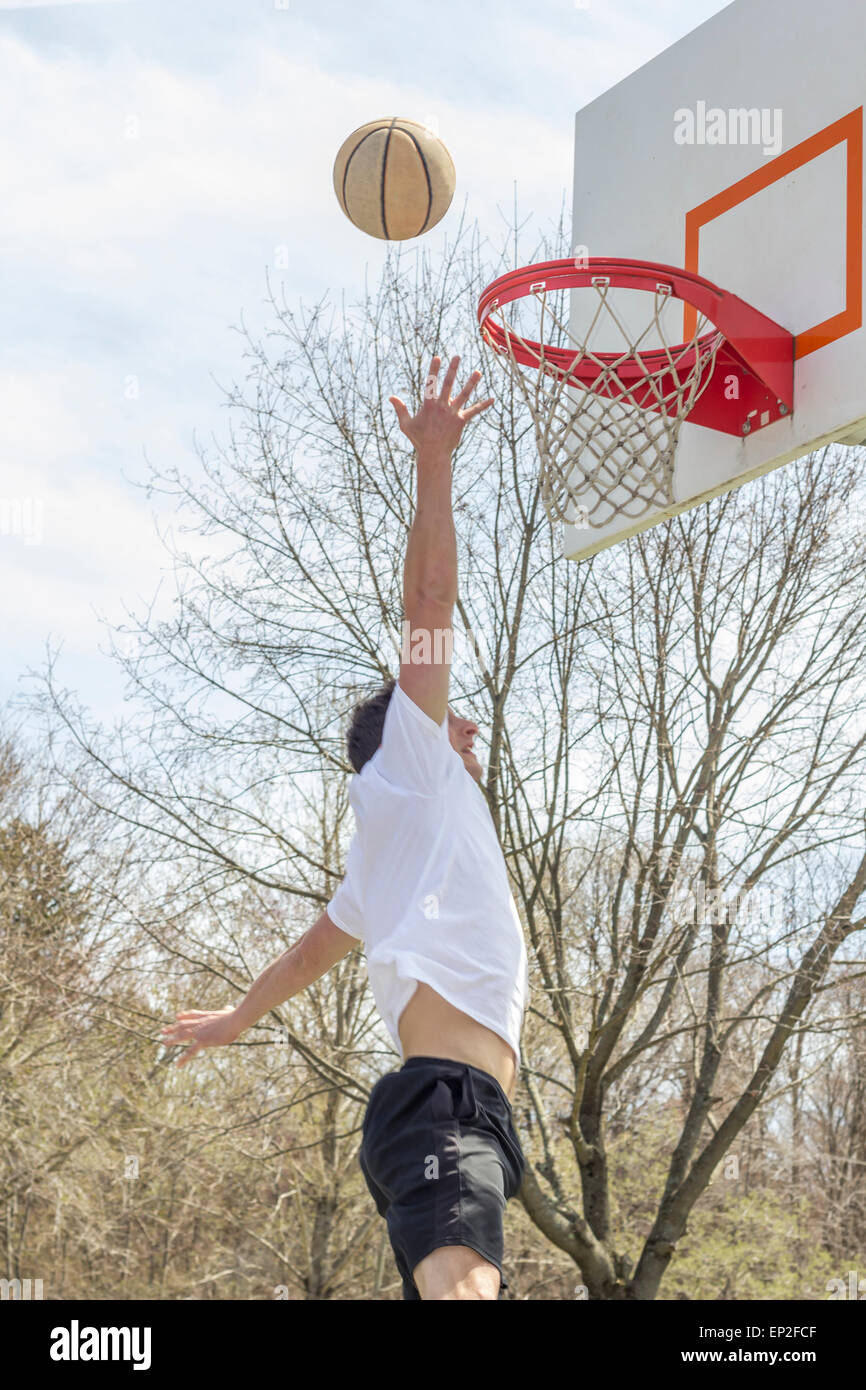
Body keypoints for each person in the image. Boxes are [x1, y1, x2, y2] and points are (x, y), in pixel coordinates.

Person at [161, 355, 529, 1300]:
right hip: (443, 1108)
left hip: (464, 1114)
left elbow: (307, 955)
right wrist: (436, 464)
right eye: (446, 715)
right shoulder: (407, 766)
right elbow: (430, 607)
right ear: (405, 730)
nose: (465, 723)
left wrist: (241, 1014)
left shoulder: (386, 862)